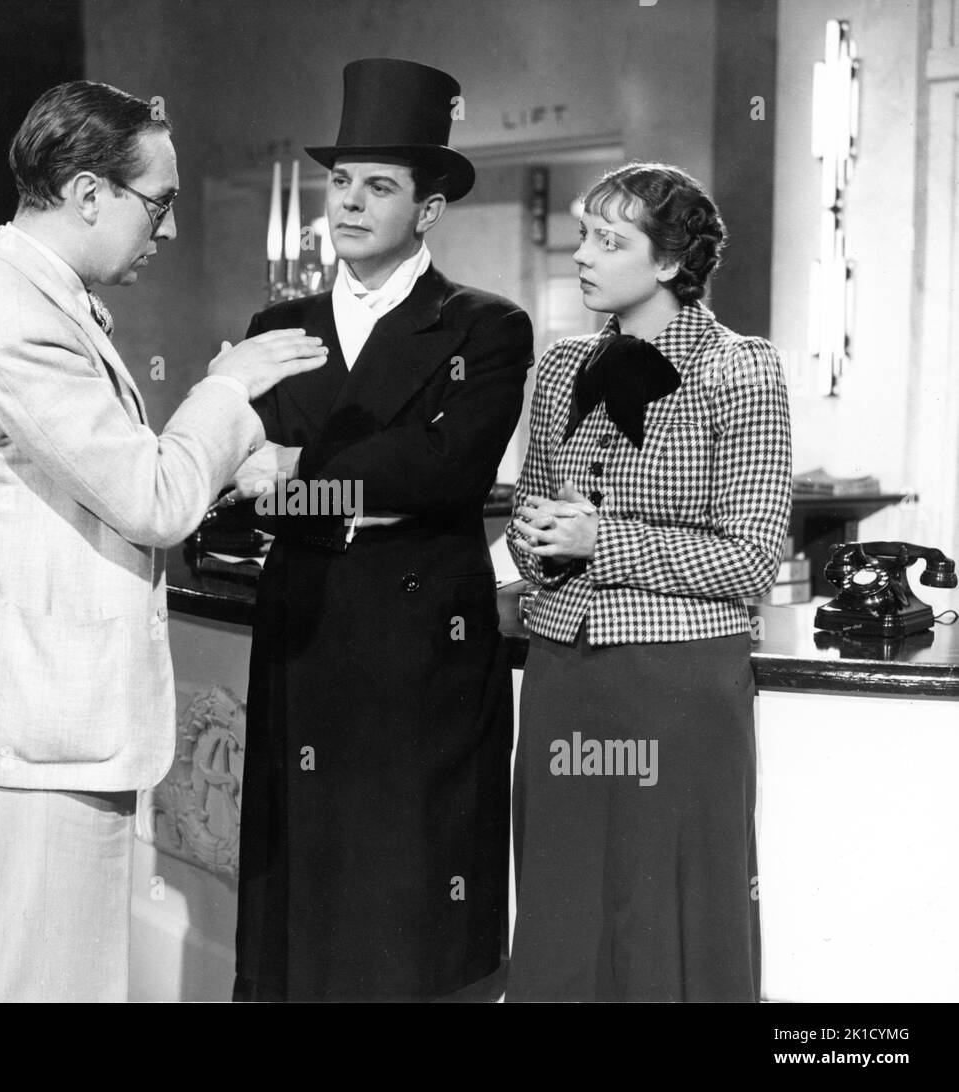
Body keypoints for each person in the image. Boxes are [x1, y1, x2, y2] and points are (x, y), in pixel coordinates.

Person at [0, 80, 326, 1002]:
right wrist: (228, 391)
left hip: (20, 704)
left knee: (20, 969)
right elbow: (153, 499)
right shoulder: (19, 321)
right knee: (44, 981)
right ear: (87, 194)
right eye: (162, 204)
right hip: (42, 716)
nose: (171, 230)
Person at [225, 58, 534, 1002]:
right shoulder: (278, 326)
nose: (348, 203)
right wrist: (332, 485)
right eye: (341, 182)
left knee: (412, 896)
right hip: (304, 628)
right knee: (302, 888)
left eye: (380, 186)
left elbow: (450, 476)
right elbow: (251, 489)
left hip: (422, 646)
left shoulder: (484, 325)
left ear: (429, 208)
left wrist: (300, 473)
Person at [506, 162, 791, 1002]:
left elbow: (751, 557)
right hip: (563, 674)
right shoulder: (561, 369)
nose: (583, 256)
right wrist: (540, 543)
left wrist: (601, 541)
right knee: (562, 905)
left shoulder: (739, 369)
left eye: (609, 240)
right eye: (585, 234)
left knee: (669, 906)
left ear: (669, 263)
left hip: (677, 685)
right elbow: (531, 521)